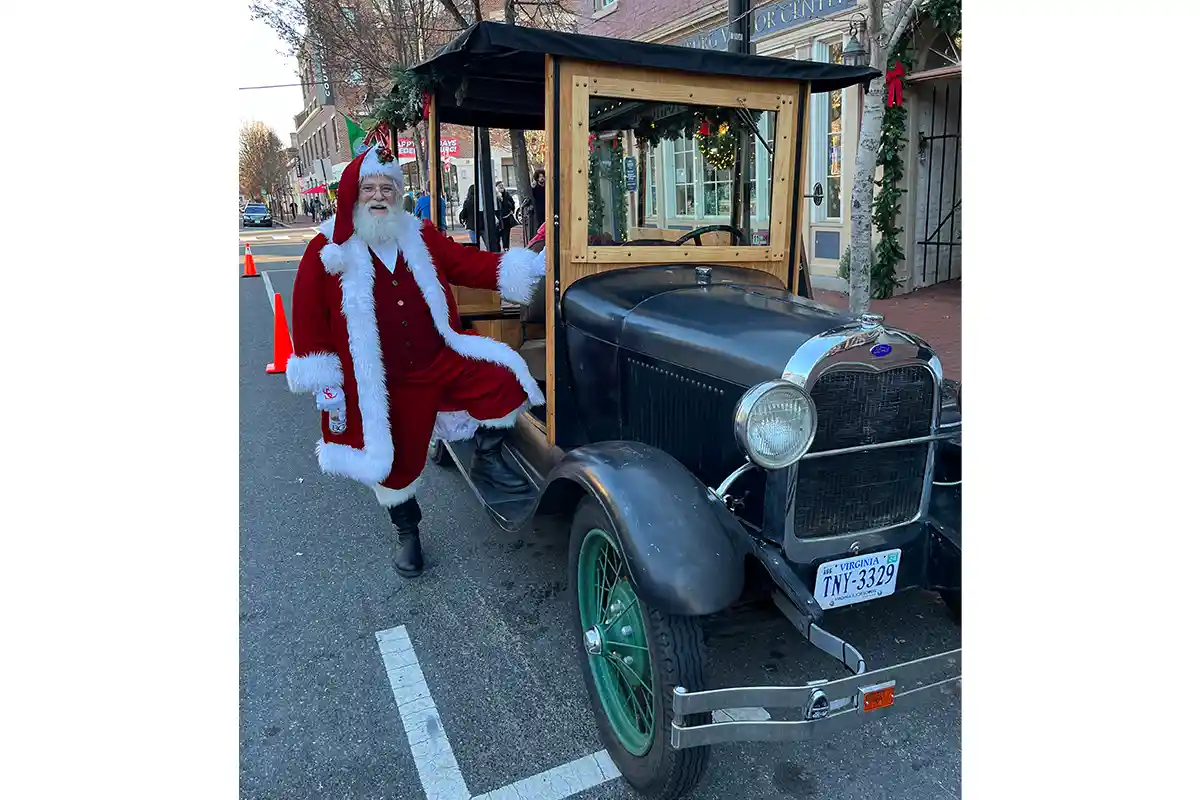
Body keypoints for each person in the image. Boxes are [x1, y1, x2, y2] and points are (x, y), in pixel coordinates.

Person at [287, 144, 546, 579]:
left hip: (441, 358)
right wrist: (326, 380)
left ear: (399, 193)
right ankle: (408, 532)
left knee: (505, 376)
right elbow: (309, 320)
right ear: (354, 194)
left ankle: (488, 458)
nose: (378, 195)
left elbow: (467, 263)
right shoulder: (326, 251)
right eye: (368, 187)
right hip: (386, 382)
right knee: (394, 466)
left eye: (387, 187)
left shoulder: (419, 235)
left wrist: (529, 266)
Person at [495, 181, 516, 251]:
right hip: (498, 219)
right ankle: (497, 248)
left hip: (506, 218)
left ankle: (506, 247)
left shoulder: (506, 195)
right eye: (499, 186)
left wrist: (512, 210)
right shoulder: (495, 196)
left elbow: (512, 203)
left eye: (502, 186)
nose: (501, 187)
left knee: (506, 234)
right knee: (497, 235)